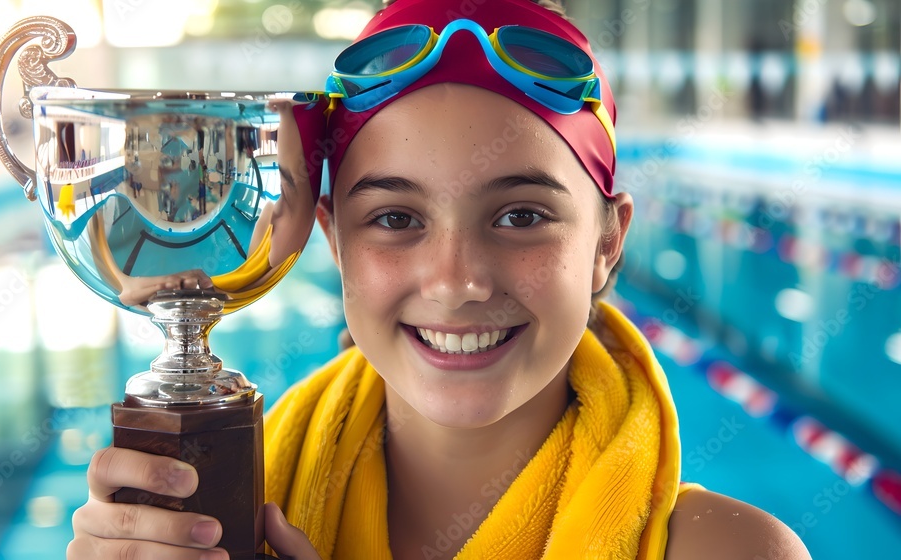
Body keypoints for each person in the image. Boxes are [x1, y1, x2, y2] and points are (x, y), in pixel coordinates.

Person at [68, 0, 812, 559]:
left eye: (521, 217)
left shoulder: (730, 550)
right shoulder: (220, 515)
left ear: (607, 243)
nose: (456, 281)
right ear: (333, 240)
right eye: (396, 219)